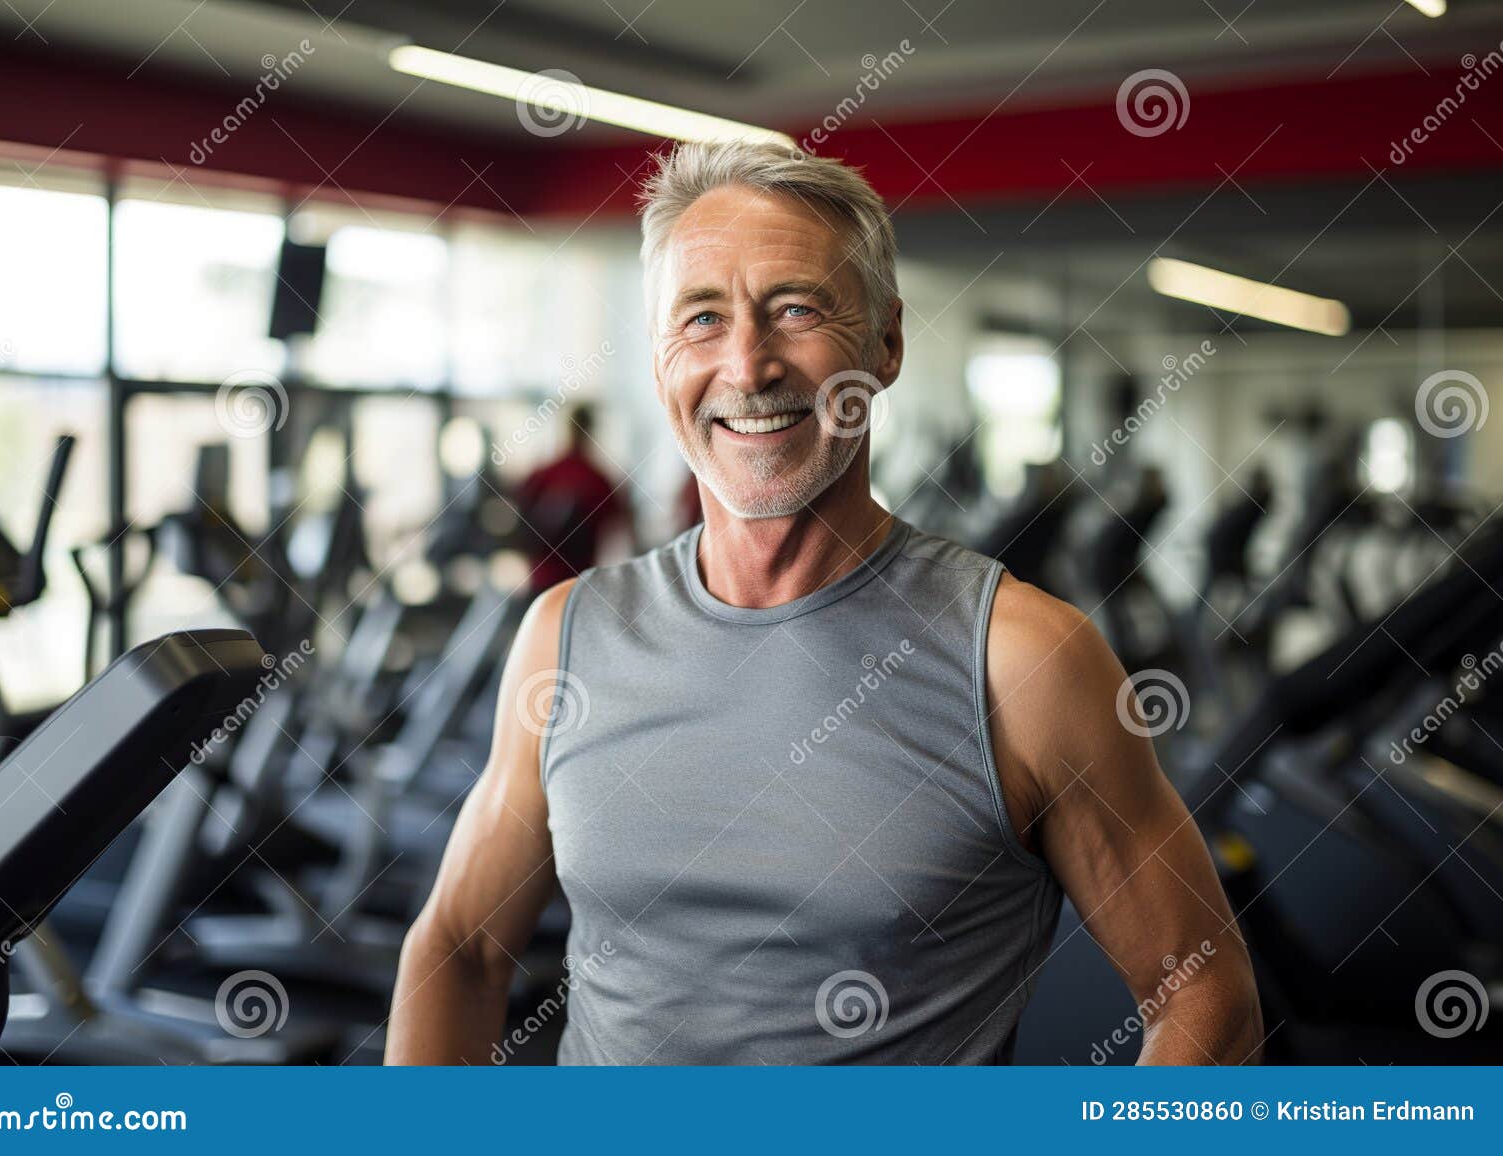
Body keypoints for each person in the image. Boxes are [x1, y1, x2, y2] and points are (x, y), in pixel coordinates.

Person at [388, 142, 1262, 1065]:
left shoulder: (1024, 659)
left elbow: (1204, 989)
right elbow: (462, 948)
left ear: (884, 341)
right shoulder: (565, 636)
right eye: (701, 319)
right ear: (658, 364)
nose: (748, 364)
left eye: (795, 309)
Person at [513, 403, 628, 591]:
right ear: (590, 430)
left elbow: (517, 520)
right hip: (579, 586)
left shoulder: (542, 474)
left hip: (542, 582)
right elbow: (619, 527)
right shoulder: (599, 480)